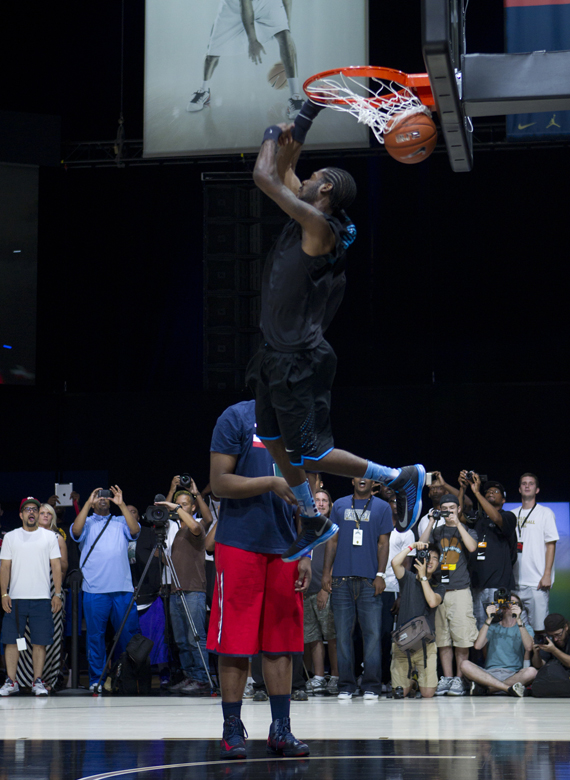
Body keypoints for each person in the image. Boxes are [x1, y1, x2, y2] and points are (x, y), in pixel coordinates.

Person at [246, 105, 425, 563]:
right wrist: (305, 118)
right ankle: (311, 517)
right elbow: (284, 172)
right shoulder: (308, 215)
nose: (301, 179)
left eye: (311, 178)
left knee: (311, 454)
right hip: (272, 354)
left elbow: (266, 175)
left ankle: (398, 476)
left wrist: (271, 131)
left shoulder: (319, 229)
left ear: (324, 189)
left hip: (300, 362)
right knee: (272, 440)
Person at [208, 399, 310, 760]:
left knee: (281, 643)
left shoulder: (298, 418)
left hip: (286, 547)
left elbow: (307, 491)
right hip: (239, 543)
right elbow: (218, 483)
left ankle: (280, 729)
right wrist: (269, 482)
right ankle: (232, 728)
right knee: (235, 642)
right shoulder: (236, 417)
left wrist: (305, 550)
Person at [321, 478, 392, 700]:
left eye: (366, 476)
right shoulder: (340, 505)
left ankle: (371, 685)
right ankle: (346, 685)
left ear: (373, 481)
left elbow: (383, 543)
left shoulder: (383, 507)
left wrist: (380, 574)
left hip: (370, 580)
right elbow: (332, 541)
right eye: (358, 475)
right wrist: (326, 572)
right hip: (341, 579)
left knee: (372, 635)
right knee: (343, 636)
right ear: (352, 480)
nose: (362, 479)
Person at [70, 486, 141, 692]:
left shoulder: (120, 521)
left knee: (129, 636)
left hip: (122, 588)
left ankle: (129, 678)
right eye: (98, 496)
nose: (102, 499)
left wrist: (121, 504)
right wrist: (87, 503)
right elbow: (75, 532)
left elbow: (135, 531)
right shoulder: (87, 522)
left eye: (106, 497)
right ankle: (97, 680)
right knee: (95, 637)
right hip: (94, 589)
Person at [187, 0, 303, 119]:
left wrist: (286, 25)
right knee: (212, 53)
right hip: (233, 6)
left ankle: (295, 97)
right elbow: (245, 4)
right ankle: (204, 91)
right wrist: (253, 40)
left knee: (285, 37)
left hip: (267, 3)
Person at [0, 498, 63, 696]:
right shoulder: (11, 537)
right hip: (16, 598)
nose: (31, 512)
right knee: (11, 640)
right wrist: (4, 593)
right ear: (21, 515)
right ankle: (11, 681)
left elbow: (56, 566)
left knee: (39, 641)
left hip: (42, 598)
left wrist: (57, 594)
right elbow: (5, 567)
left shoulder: (49, 537)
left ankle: (37, 681)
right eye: (27, 509)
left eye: (35, 509)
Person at [154, 489, 211, 696]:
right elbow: (169, 560)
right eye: (178, 504)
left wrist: (176, 508)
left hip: (193, 590)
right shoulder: (177, 532)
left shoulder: (197, 527)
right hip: (175, 590)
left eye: (184, 504)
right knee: (181, 640)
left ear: (193, 507)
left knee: (195, 637)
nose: (179, 508)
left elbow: (195, 526)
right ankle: (190, 675)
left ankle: (202, 679)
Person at [420, 493, 478, 696]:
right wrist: (431, 522)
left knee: (461, 639)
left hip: (460, 590)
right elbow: (421, 545)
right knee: (443, 640)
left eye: (452, 508)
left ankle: (460, 680)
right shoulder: (437, 531)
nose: (448, 512)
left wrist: (457, 523)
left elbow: (472, 547)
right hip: (440, 590)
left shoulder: (468, 530)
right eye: (444, 509)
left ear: (459, 509)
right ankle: (447, 678)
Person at [15, 503, 68, 691]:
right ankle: (24, 679)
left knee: (50, 636)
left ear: (53, 517)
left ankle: (47, 679)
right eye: (42, 512)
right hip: (27, 590)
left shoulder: (57, 537)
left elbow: (64, 567)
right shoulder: (24, 536)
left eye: (49, 513)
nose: (45, 515)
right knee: (26, 637)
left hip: (51, 589)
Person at [390, 541, 445, 698]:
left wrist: (423, 578)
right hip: (403, 644)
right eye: (428, 557)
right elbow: (395, 563)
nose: (431, 561)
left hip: (425, 645)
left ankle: (415, 680)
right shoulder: (408, 578)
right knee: (400, 693)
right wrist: (412, 546)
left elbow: (432, 602)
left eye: (435, 558)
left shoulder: (439, 587)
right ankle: (412, 682)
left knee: (428, 694)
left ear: (438, 563)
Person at [462, 474, 517, 629]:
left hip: (498, 584)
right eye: (488, 491)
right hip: (476, 584)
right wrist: (462, 489)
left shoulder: (509, 516)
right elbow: (458, 516)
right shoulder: (478, 518)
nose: (491, 492)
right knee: (480, 629)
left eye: (496, 491)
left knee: (498, 628)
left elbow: (497, 519)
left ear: (503, 500)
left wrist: (477, 493)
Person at [460, 592, 536, 697]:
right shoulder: (493, 626)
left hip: (513, 674)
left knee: (532, 672)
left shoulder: (525, 628)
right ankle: (507, 689)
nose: (509, 605)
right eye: (507, 602)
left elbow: (529, 647)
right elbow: (478, 646)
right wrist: (489, 618)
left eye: (513, 603)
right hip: (489, 674)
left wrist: (518, 619)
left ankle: (488, 690)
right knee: (464, 664)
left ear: (519, 608)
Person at [512, 473, 559, 631]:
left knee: (539, 630)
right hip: (515, 583)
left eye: (531, 483)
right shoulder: (512, 514)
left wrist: (547, 574)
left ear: (537, 490)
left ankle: (541, 650)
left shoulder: (545, 513)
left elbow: (551, 544)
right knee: (517, 632)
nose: (527, 486)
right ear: (519, 489)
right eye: (524, 483)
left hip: (536, 583)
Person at [303, 488, 338, 696]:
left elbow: (336, 559)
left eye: (325, 500)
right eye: (317, 500)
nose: (321, 503)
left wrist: (326, 588)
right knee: (313, 636)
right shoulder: (306, 528)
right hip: (307, 590)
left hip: (325, 590)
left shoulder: (333, 529)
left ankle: (335, 676)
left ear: (330, 505)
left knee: (331, 635)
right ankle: (318, 677)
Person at [531, 613, 570, 697]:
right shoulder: (548, 639)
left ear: (566, 627)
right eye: (552, 636)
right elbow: (538, 665)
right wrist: (536, 653)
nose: (555, 639)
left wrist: (554, 650)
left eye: (558, 634)